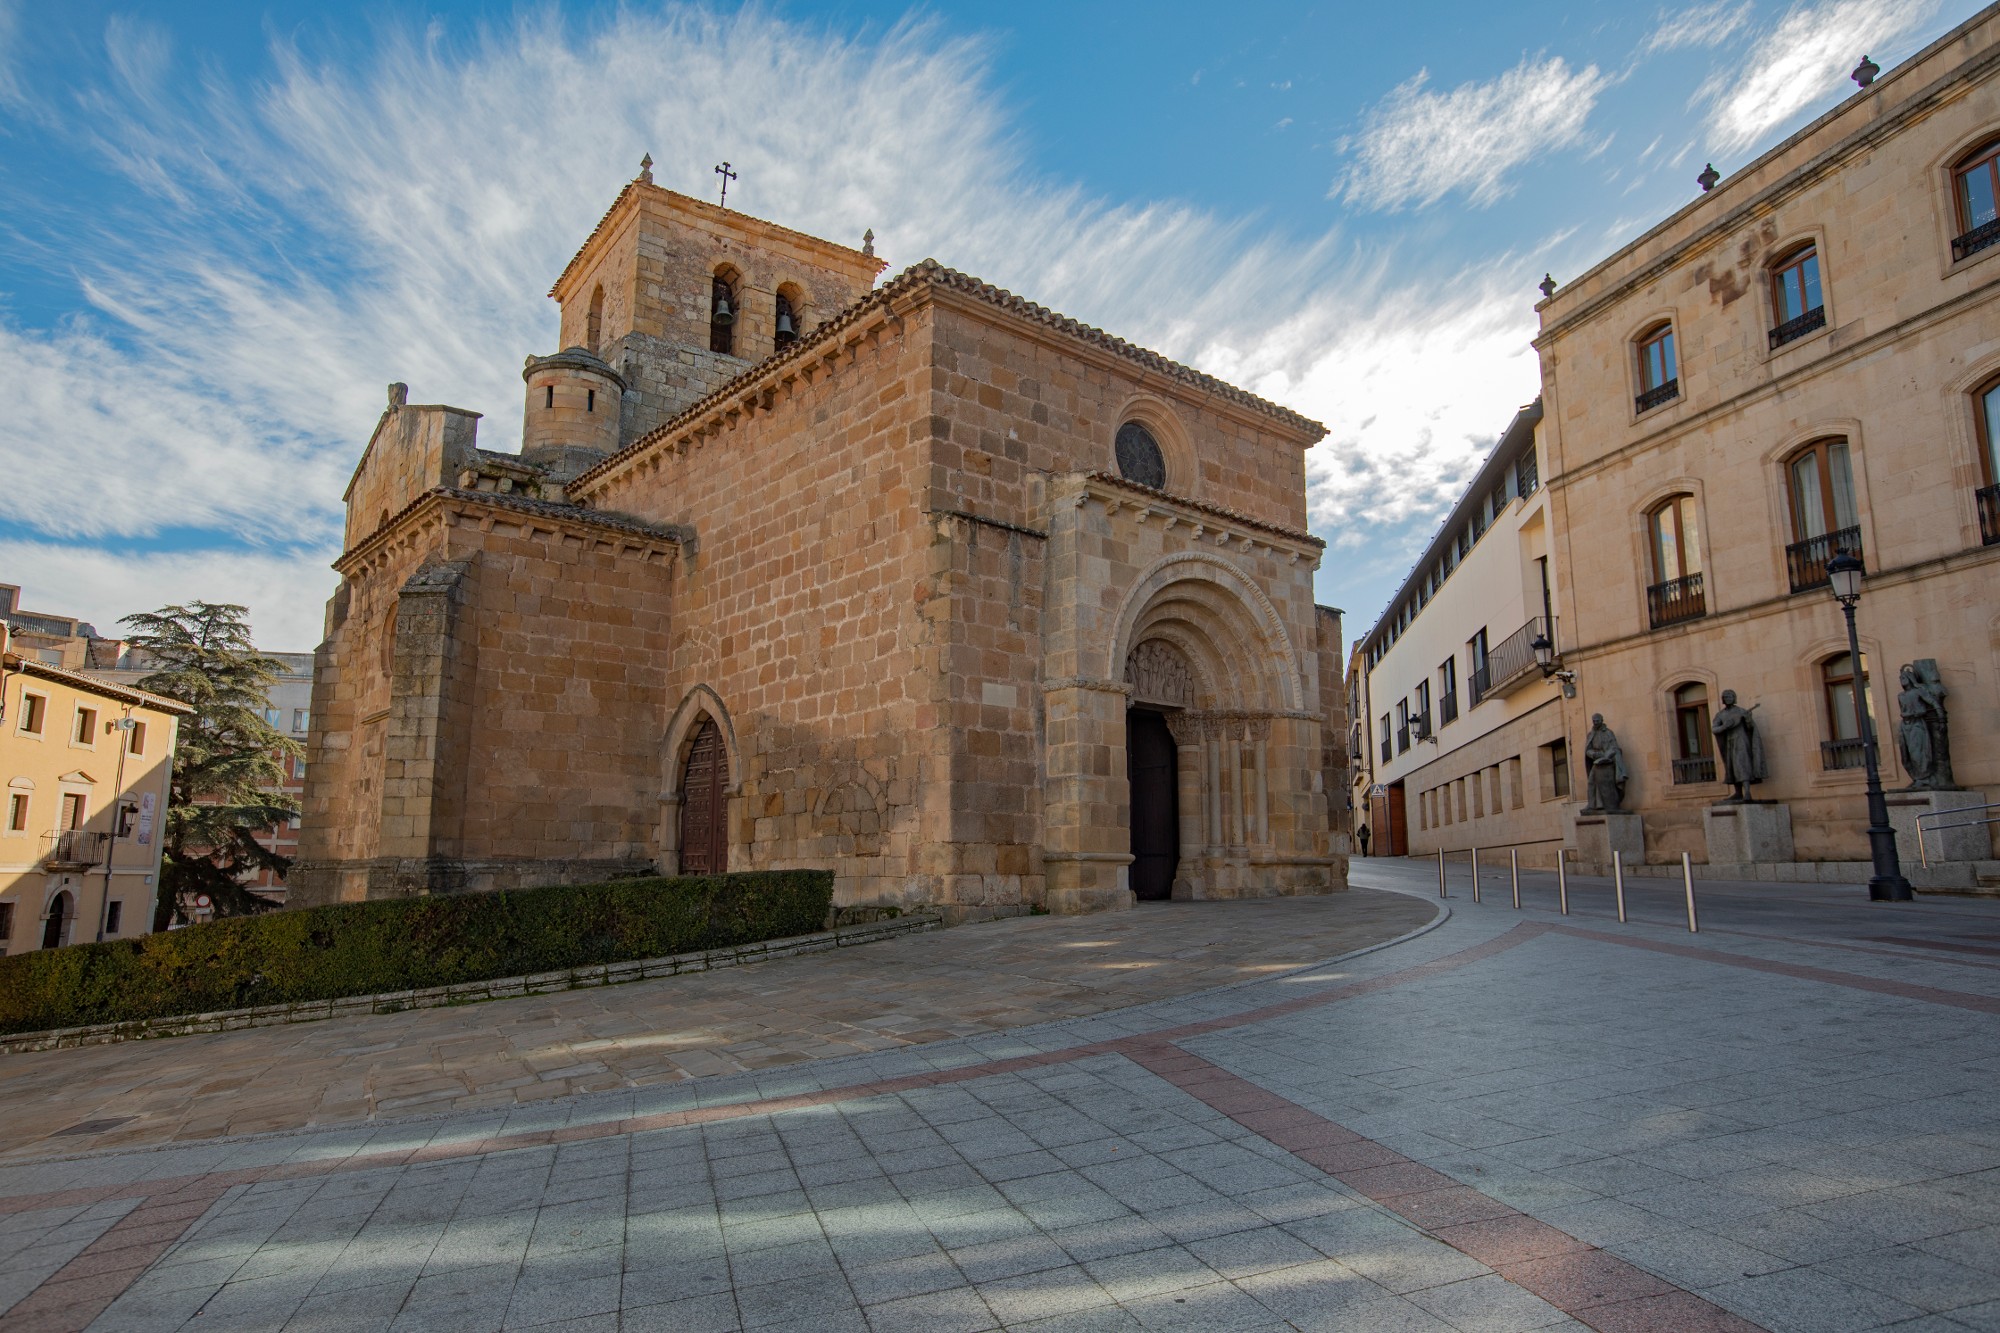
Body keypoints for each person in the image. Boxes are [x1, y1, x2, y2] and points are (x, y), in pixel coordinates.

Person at [1710, 689, 1766, 802]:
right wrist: (1724, 727)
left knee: (1742, 764)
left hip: (1741, 741)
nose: (1728, 698)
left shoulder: (1741, 711)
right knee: (1731, 766)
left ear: (1734, 698)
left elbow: (1750, 728)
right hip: (1729, 743)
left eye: (1730, 696)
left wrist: (1748, 719)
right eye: (1726, 697)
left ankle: (1747, 793)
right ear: (1723, 700)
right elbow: (1714, 729)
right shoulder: (1720, 714)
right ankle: (1738, 793)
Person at [1581, 715, 1627, 813]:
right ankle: (1592, 805)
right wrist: (1593, 754)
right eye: (1593, 721)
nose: (1595, 722)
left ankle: (1611, 806)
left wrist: (1606, 755)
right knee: (1591, 782)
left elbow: (1614, 747)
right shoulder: (1590, 734)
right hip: (1596, 761)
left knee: (1606, 784)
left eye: (1597, 720)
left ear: (1602, 720)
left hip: (1608, 761)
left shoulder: (1609, 733)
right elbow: (1588, 750)